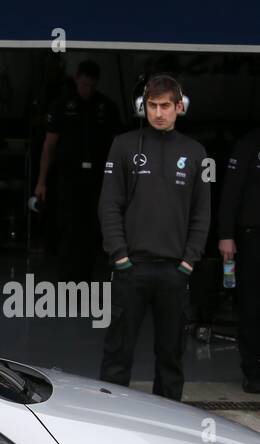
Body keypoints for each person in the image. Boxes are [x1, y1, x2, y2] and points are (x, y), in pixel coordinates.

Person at [98, 74, 210, 401]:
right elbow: (108, 205)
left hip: (175, 272)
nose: (158, 113)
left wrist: (189, 261)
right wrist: (120, 256)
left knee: (171, 357)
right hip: (131, 269)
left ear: (179, 107)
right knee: (117, 356)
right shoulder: (123, 145)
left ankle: (168, 425)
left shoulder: (197, 152)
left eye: (165, 106)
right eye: (151, 106)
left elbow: (202, 214)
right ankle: (109, 421)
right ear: (142, 107)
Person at [36, 61, 122, 281]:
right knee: (68, 227)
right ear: (77, 80)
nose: (88, 90)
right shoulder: (62, 105)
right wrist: (41, 181)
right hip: (68, 178)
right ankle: (66, 279)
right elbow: (49, 145)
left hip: (97, 178)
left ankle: (87, 278)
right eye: (84, 85)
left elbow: (118, 146)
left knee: (93, 228)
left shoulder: (106, 107)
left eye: (92, 86)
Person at [218, 126, 260, 393]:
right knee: (251, 306)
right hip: (252, 236)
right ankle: (254, 372)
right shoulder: (250, 142)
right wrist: (225, 234)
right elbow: (231, 191)